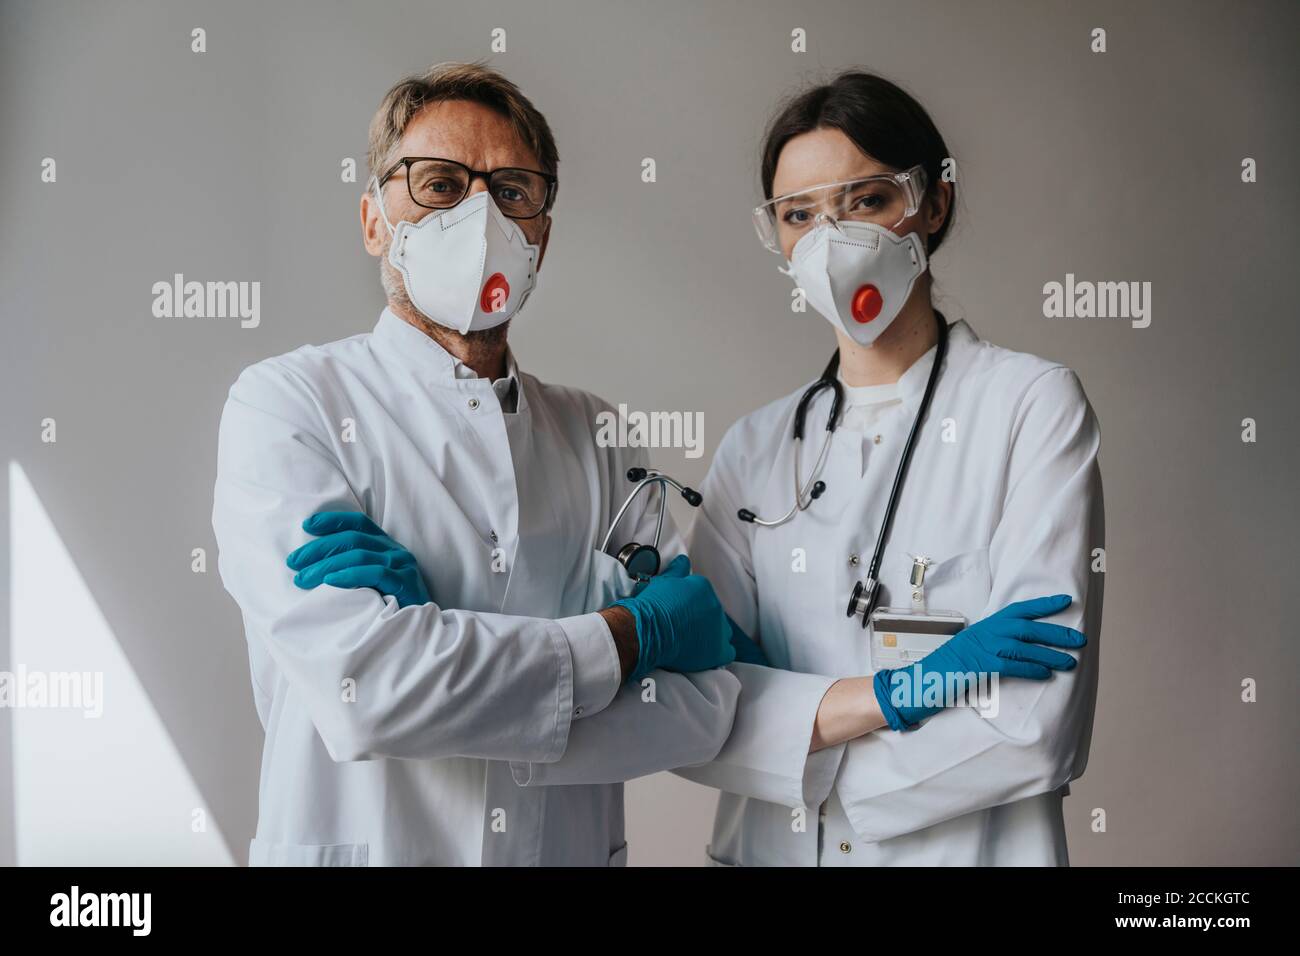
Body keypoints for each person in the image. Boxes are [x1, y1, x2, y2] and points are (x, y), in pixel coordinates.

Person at [211, 62, 741, 867]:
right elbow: (371, 696)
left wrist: (444, 649)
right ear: (373, 220)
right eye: (439, 184)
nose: (480, 213)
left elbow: (698, 711)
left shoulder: (595, 430)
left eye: (513, 190)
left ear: (542, 235)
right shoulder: (288, 404)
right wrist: (634, 634)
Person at [672, 71, 1105, 866]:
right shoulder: (755, 447)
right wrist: (893, 700)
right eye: (799, 215)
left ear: (934, 203)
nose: (831, 239)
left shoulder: (1029, 407)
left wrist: (796, 748)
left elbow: (1034, 730)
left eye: (865, 201)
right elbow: (692, 717)